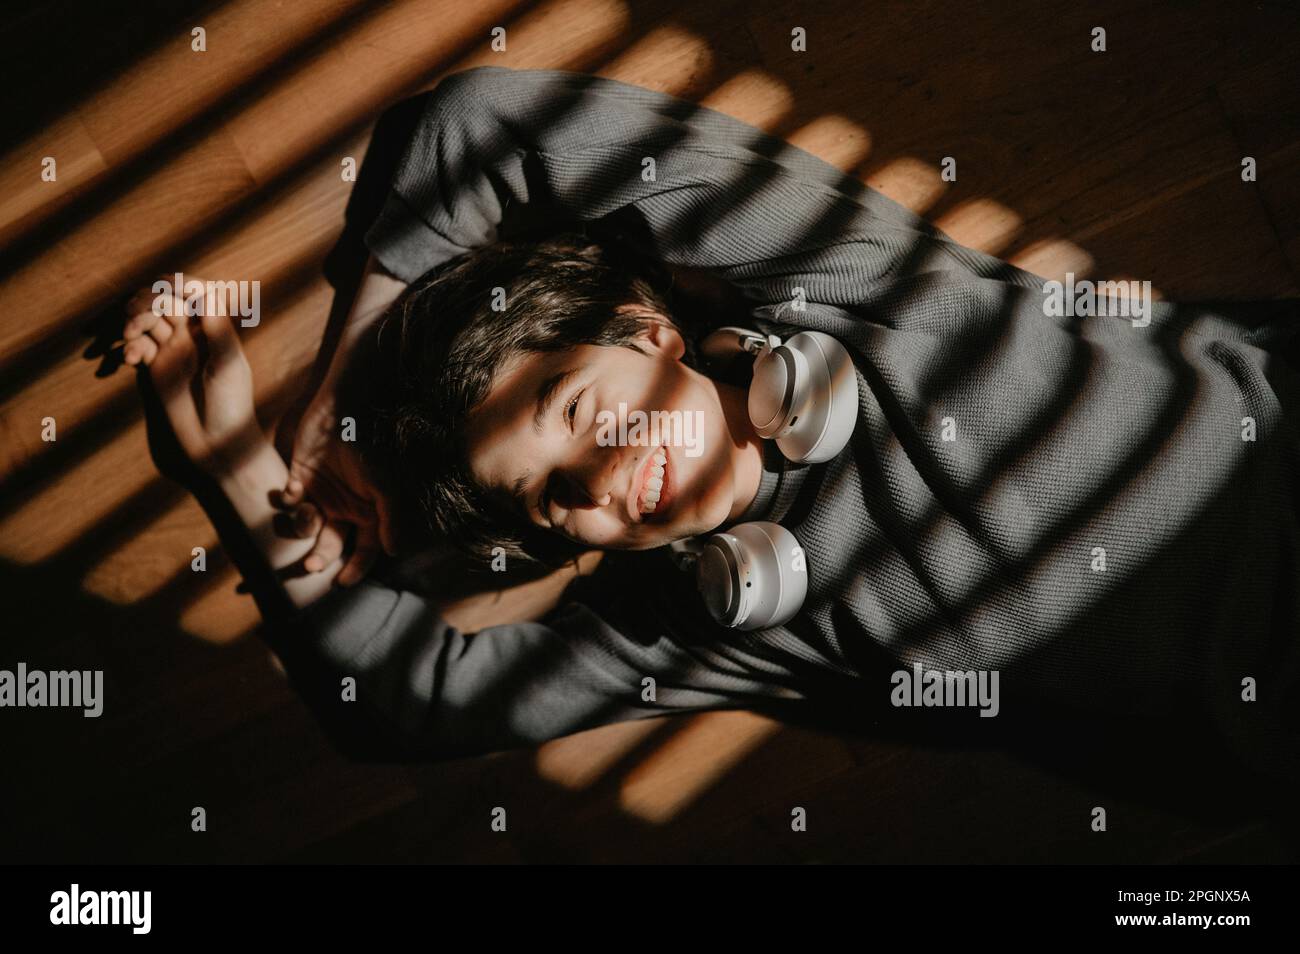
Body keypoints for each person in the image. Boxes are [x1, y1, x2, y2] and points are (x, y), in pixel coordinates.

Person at [124, 66, 1300, 780]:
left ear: (646, 330)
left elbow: (482, 121)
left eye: (573, 412)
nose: (601, 478)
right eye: (555, 500)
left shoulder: (840, 280)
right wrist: (237, 472)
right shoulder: (701, 624)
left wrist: (326, 415)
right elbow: (402, 703)